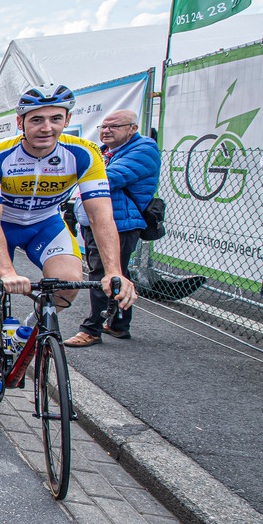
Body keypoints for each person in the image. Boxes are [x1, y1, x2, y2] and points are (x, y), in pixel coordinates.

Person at [0, 84, 136, 412]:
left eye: (55, 119)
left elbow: (101, 214)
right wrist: (7, 271)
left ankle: (29, 325)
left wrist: (115, 270)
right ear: (21, 123)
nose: (46, 127)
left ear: (67, 119)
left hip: (47, 225)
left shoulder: (84, 154)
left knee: (66, 287)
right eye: (37, 120)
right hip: (2, 227)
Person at [63, 109, 160, 347]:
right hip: (103, 220)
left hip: (118, 223)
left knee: (102, 274)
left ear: (132, 129)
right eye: (103, 127)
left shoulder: (143, 149)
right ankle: (117, 325)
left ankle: (92, 329)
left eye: (114, 126)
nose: (106, 131)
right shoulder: (108, 151)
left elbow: (106, 179)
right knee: (118, 272)